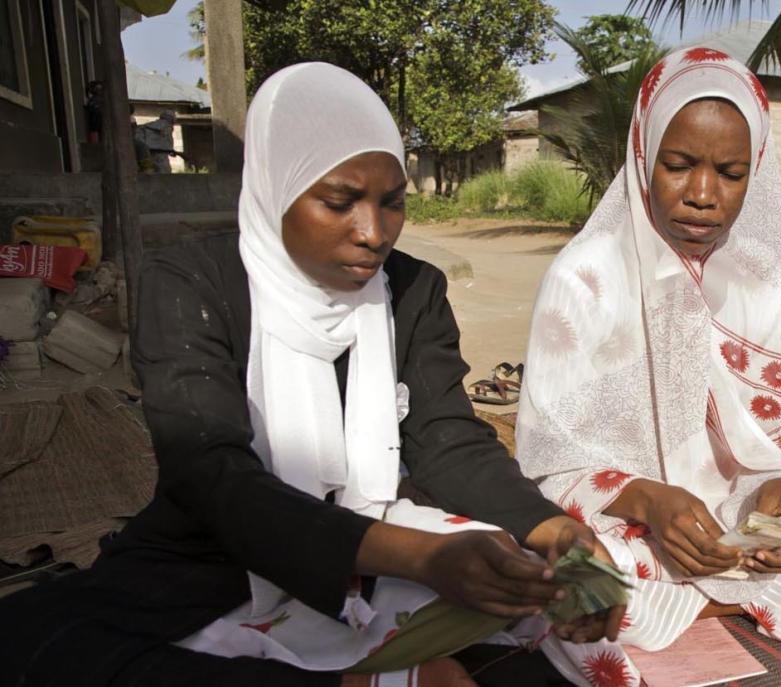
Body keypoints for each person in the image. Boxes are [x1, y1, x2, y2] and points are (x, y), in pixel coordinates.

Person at [0, 62, 619, 686]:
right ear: (277, 188)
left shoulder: (412, 289)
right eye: (340, 202)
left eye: (393, 203)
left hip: (381, 532)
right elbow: (211, 474)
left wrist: (551, 528)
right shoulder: (191, 282)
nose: (373, 233)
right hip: (222, 550)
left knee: (539, 601)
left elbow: (448, 440)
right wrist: (421, 559)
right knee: (39, 642)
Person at [514, 48, 781, 687]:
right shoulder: (584, 278)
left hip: (740, 510)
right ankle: (770, 594)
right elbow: (550, 462)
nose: (702, 195)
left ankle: (731, 591)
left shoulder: (762, 277)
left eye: (729, 173)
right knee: (564, 574)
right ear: (643, 156)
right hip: (628, 520)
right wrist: (651, 499)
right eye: (677, 166)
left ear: (756, 173)